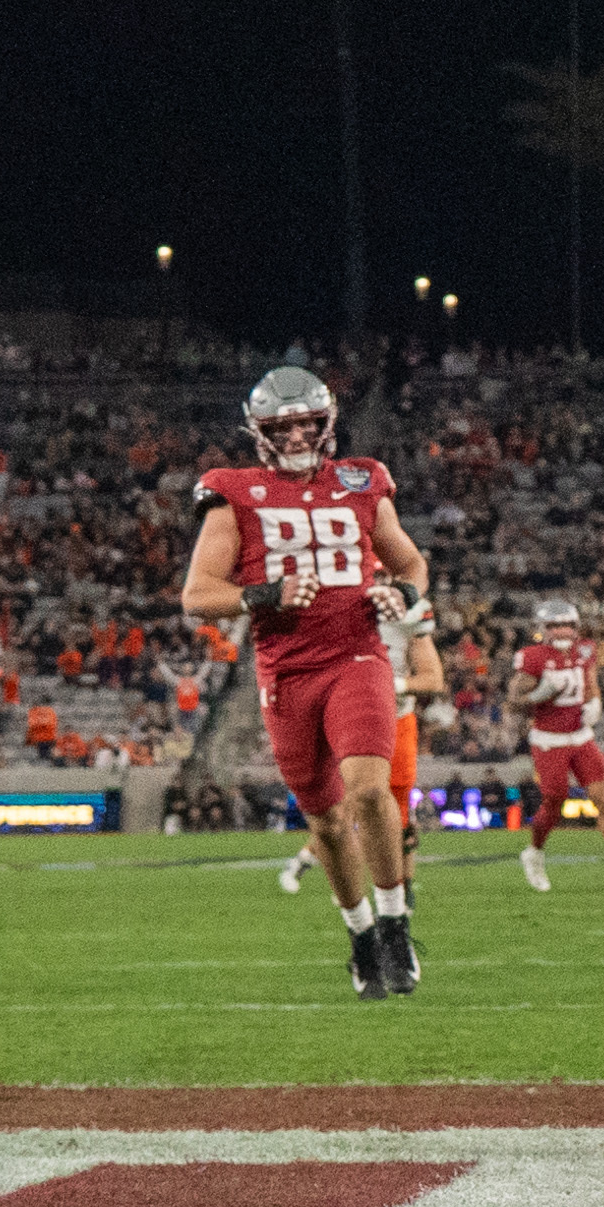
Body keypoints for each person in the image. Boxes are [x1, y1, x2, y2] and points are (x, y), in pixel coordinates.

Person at [182, 366, 429, 1001]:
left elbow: (410, 561)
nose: (295, 435)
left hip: (357, 656)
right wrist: (266, 593)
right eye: (281, 426)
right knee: (323, 822)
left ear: (326, 423)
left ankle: (397, 920)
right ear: (259, 432)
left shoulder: (362, 480)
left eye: (305, 422)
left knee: (371, 794)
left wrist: (401, 593)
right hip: (286, 671)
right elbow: (198, 596)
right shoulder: (235, 492)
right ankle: (361, 935)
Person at [282, 592, 442, 906]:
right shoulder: (335, 612)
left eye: (384, 578)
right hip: (350, 717)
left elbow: (433, 679)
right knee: (346, 804)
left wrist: (389, 684)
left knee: (398, 810)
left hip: (397, 718)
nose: (377, 586)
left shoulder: (408, 616)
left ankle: (402, 890)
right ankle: (311, 866)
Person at [510, 599, 604, 891]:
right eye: (555, 625)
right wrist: (537, 696)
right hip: (549, 739)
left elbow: (590, 681)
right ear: (543, 629)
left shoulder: (585, 649)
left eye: (567, 625)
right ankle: (534, 853)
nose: (562, 631)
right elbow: (514, 702)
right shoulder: (532, 657)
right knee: (555, 802)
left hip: (581, 736)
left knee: (602, 798)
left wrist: (596, 702)